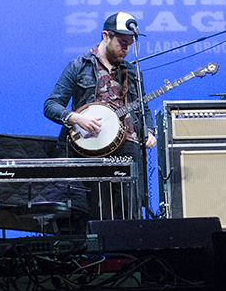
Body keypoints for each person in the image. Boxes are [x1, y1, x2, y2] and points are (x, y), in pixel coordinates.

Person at [44, 12, 157, 226]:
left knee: (129, 211)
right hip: (91, 147)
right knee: (96, 211)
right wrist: (76, 118)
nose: (126, 49)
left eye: (130, 44)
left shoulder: (132, 71)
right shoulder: (79, 66)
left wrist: (149, 131)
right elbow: (51, 105)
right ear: (106, 36)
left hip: (128, 146)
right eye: (122, 43)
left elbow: (144, 107)